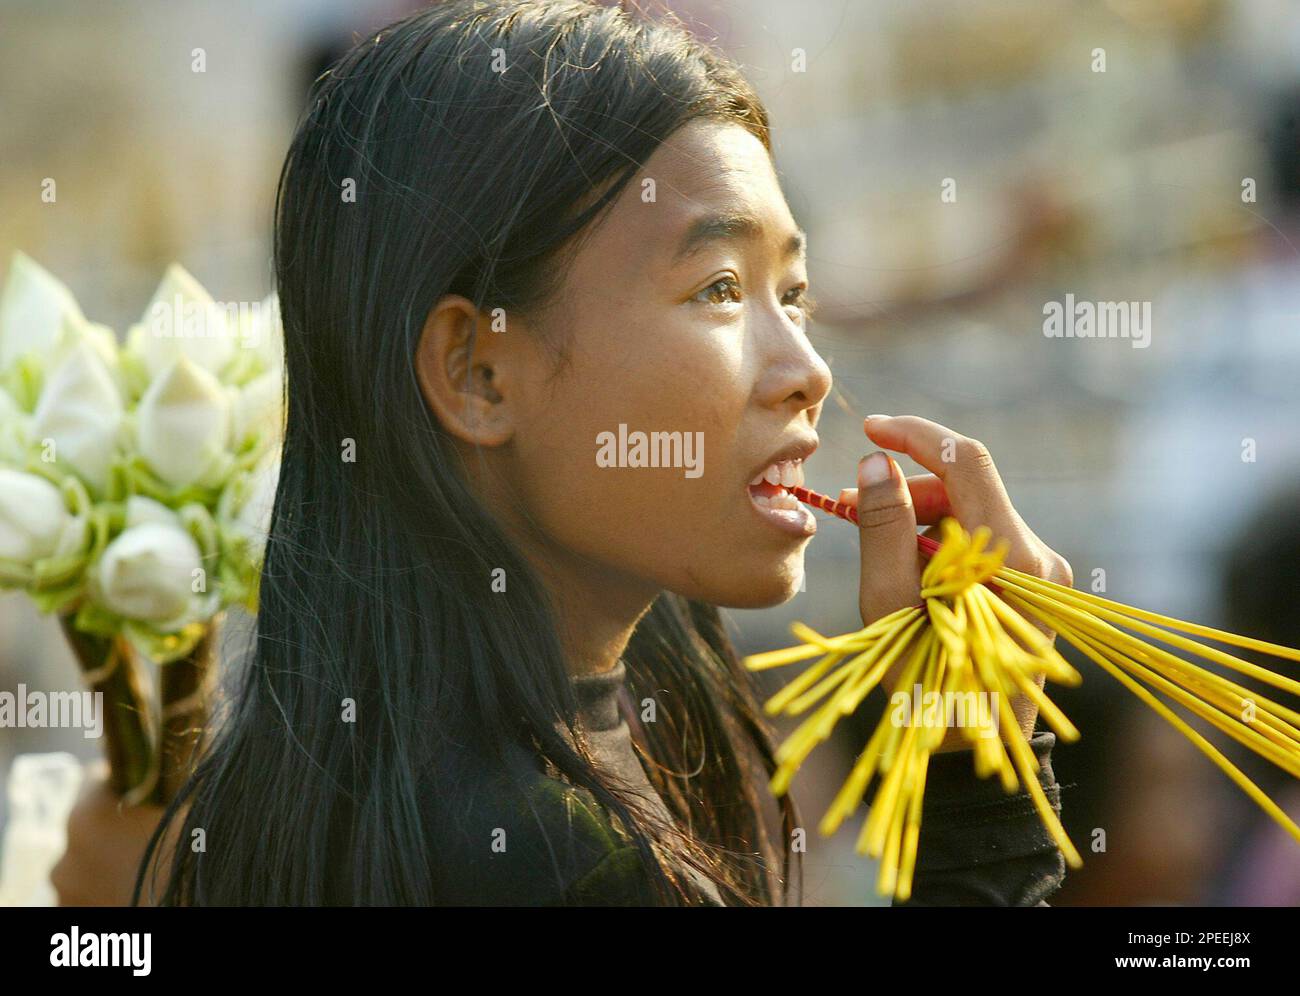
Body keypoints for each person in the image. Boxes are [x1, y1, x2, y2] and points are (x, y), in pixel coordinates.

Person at [112, 0, 1072, 907]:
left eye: (797, 292)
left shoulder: (346, 776)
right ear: (479, 373)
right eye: (720, 290)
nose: (808, 371)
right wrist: (975, 804)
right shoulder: (554, 863)